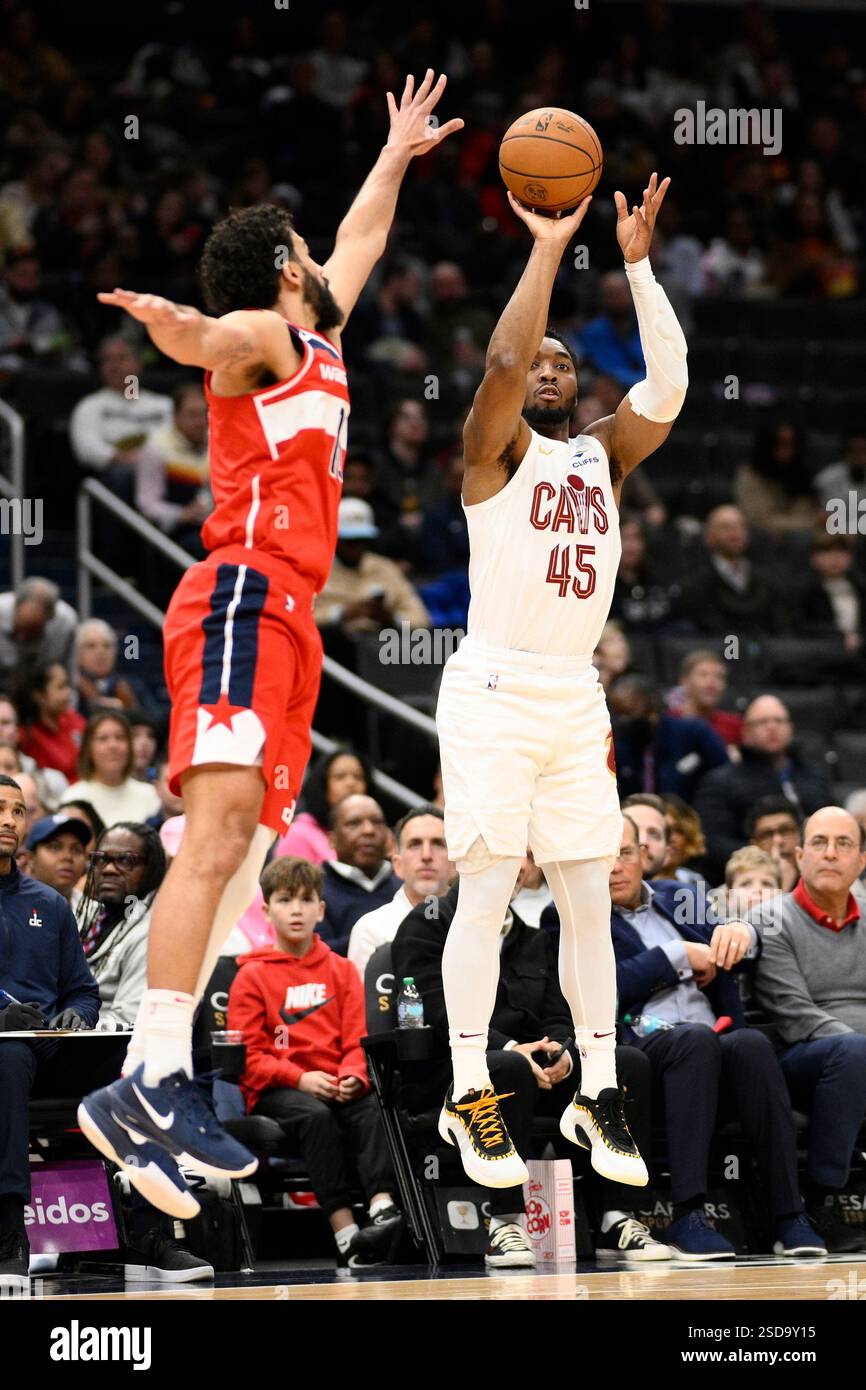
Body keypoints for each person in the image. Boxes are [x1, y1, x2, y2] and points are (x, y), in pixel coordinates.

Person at [79, 70, 463, 1218]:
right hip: (242, 597)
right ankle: (143, 1074)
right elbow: (217, 331)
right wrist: (178, 325)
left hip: (291, 621)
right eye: (305, 250)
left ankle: (158, 1077)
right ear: (285, 269)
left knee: (245, 857)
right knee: (216, 839)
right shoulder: (260, 335)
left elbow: (359, 233)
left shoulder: (318, 329)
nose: (324, 256)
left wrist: (394, 151)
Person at [435, 171, 688, 1189]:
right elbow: (500, 350)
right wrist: (545, 246)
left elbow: (667, 388)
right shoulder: (487, 456)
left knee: (589, 894)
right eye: (533, 361)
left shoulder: (601, 457)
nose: (543, 366)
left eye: (559, 360)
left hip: (570, 692)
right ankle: (466, 1088)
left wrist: (633, 262)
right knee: (489, 894)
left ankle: (596, 1086)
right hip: (492, 688)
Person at [394, 878, 670, 1265]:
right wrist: (509, 1048)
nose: (516, 865)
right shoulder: (426, 924)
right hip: (456, 1069)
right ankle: (505, 1222)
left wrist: (564, 1052)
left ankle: (618, 1217)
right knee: (507, 1068)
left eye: (524, 855)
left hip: (536, 1068)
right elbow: (432, 1011)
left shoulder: (534, 938)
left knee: (627, 1063)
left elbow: (560, 1014)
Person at [610, 815, 825, 1260]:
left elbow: (744, 951)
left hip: (713, 1037)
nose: (614, 865)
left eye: (625, 852)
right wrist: (676, 955)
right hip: (642, 1044)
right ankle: (688, 1212)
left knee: (751, 1044)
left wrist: (743, 933)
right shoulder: (571, 915)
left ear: (644, 856)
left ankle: (788, 1214)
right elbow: (602, 983)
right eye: (602, 855)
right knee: (694, 1040)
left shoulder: (681, 897)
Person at [228, 857, 402, 1271]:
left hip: (337, 1080)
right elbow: (248, 1056)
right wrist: (299, 1077)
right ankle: (345, 1231)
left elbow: (357, 1038)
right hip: (278, 1091)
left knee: (373, 1105)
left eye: (306, 900)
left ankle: (382, 1208)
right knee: (316, 1116)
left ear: (321, 910)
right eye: (285, 900)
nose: (296, 910)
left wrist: (353, 1076)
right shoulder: (250, 977)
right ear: (266, 911)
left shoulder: (341, 971)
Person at [0, 774, 101, 1291]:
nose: (8, 820)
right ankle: (11, 1232)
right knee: (10, 1055)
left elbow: (84, 991)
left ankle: (150, 1231)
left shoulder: (51, 904)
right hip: (7, 1054)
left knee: (128, 1062)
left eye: (18, 811)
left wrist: (78, 1018)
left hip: (51, 1048)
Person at [753, 807, 866, 1253]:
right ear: (799, 856)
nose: (830, 854)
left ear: (861, 860)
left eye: (843, 844)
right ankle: (822, 1200)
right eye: (819, 843)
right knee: (855, 1053)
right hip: (801, 1059)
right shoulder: (772, 918)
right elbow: (797, 1015)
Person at [695, 696, 833, 881]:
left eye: (779, 720)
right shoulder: (720, 781)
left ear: (790, 728)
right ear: (745, 731)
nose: (772, 727)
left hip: (816, 871)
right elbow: (714, 843)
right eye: (762, 722)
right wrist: (765, 861)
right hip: (749, 879)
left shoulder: (814, 774)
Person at [348, 803, 452, 977]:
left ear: (455, 863)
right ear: (397, 865)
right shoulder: (370, 929)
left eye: (438, 843)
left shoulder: (480, 923)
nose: (426, 855)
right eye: (415, 844)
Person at [314, 498, 431, 634]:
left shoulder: (386, 568)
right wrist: (340, 613)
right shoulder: (316, 570)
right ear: (335, 538)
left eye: (362, 540)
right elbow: (298, 620)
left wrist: (391, 619)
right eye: (350, 541)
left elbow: (422, 619)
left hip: (381, 643)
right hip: (332, 646)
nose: (357, 547)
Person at [609, 673, 728, 802]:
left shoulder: (694, 732)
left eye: (630, 711)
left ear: (651, 703)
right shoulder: (618, 745)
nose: (624, 720)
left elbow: (726, 776)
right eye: (619, 713)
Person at [679, 506, 784, 637]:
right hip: (725, 651)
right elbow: (712, 629)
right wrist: (739, 652)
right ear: (708, 538)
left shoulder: (767, 579)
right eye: (725, 527)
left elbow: (780, 626)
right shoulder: (697, 584)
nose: (735, 532)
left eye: (740, 526)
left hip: (766, 651)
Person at [135, 382, 212, 553]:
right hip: (174, 534)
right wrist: (182, 514)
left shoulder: (218, 442)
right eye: (192, 415)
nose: (201, 422)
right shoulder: (156, 448)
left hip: (214, 524)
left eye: (204, 413)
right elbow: (147, 505)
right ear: (175, 416)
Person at [321, 794, 402, 956]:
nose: (369, 830)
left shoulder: (405, 887)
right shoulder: (315, 891)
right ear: (332, 840)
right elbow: (317, 954)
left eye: (377, 822)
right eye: (354, 823)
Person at [273, 746, 371, 866]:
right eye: (340, 776)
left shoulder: (373, 834)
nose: (350, 783)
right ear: (323, 785)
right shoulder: (299, 835)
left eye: (358, 777)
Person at [62, 712, 160, 827]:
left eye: (120, 737)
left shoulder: (150, 794)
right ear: (88, 748)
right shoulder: (74, 798)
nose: (113, 745)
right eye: (103, 739)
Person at [15, 661, 85, 784]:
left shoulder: (75, 719)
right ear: (40, 695)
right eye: (61, 687)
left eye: (68, 685)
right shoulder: (27, 736)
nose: (68, 692)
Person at [0, 578, 78, 687]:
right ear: (15, 608)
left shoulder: (65, 623)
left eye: (32, 629)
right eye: (21, 627)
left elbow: (69, 676)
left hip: (41, 692)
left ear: (49, 620)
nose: (23, 636)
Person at [666, 648, 743, 748]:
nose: (712, 684)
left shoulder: (734, 725)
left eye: (719, 677)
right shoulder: (668, 723)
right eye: (703, 675)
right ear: (684, 681)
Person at [20, 811, 89, 904]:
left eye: (77, 850)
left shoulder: (95, 913)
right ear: (30, 858)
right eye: (55, 847)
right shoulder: (10, 906)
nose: (68, 857)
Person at [76, 619, 137, 715]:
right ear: (77, 653)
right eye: (91, 646)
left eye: (107, 646)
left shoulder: (132, 686)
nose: (100, 652)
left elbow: (153, 721)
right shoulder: (70, 686)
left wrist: (127, 709)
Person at [746, 795, 802, 892]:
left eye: (785, 831)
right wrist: (781, 887)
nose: (778, 841)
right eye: (767, 835)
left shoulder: (819, 880)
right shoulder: (738, 890)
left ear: (800, 835)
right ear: (754, 846)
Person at [660, 794, 706, 884]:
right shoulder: (629, 888)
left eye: (679, 831)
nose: (671, 838)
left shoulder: (696, 882)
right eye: (663, 829)